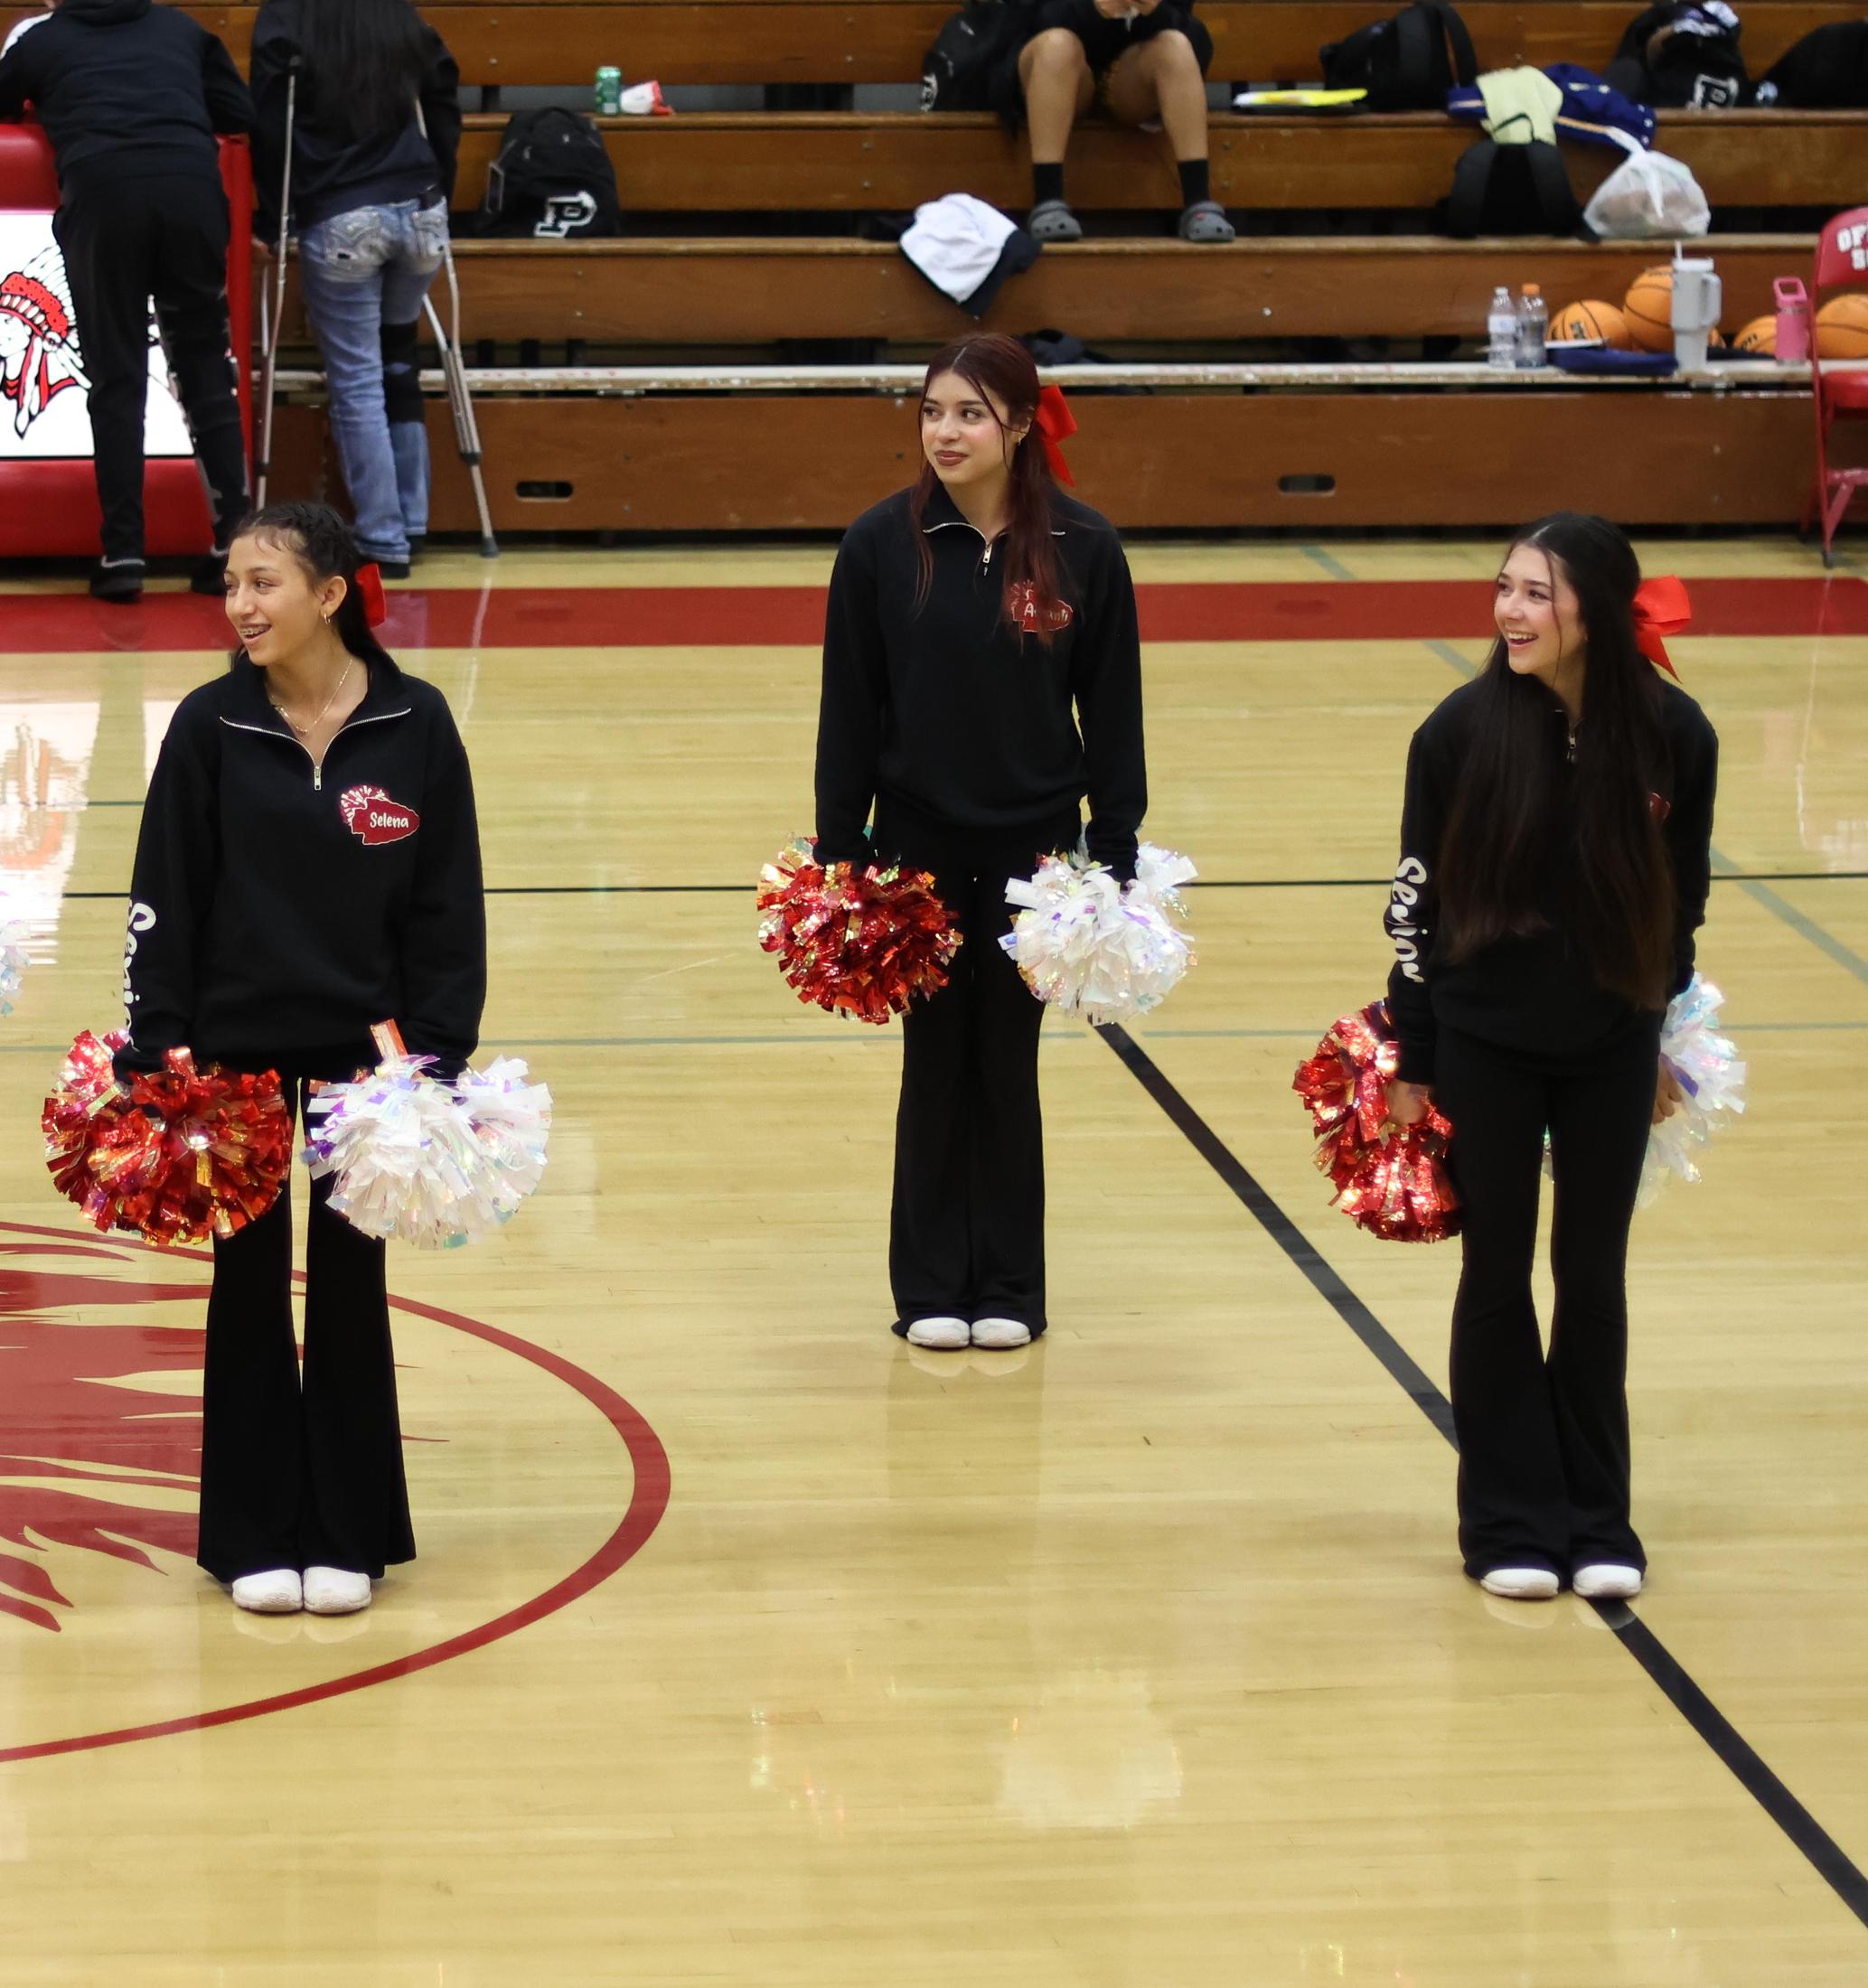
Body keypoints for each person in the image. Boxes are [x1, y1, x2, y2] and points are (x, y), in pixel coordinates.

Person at [117, 500, 485, 1615]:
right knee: (243, 1291)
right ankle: (250, 1534)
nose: (241, 605)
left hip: (364, 1060)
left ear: (331, 595)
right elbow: (162, 897)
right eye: (231, 583)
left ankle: (347, 1532)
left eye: (264, 582)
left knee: (350, 1286)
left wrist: (436, 1057)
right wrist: (156, 1046)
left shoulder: (417, 724)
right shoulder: (208, 726)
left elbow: (446, 906)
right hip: (233, 1052)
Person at [1381, 512, 1717, 1603]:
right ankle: (1508, 1519)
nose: (1511, 612)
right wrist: (1413, 1055)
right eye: (1506, 589)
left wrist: (1662, 1026)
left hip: (1612, 1041)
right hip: (1486, 1039)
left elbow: (1684, 903)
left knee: (1594, 1275)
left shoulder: (1677, 735)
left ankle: (1596, 1512)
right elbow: (1415, 908)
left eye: (1537, 594)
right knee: (1497, 1274)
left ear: (1598, 612)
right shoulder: (1460, 732)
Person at [813, 332, 1147, 1351]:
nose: (945, 431)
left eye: (967, 412)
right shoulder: (880, 545)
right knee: (934, 1068)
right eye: (932, 412)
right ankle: (927, 1290)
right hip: (913, 858)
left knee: (1007, 1067)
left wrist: (1114, 850)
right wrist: (844, 856)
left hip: (1036, 865)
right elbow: (850, 712)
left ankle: (1009, 1285)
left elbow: (1114, 710)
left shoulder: (1084, 548)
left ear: (1018, 424)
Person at [0, 0, 254, 600]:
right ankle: (235, 546)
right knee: (203, 369)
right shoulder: (180, 28)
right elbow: (240, 112)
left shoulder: (40, 38)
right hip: (191, 190)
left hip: (104, 195)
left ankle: (123, 555)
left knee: (117, 378)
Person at [250, 0, 460, 575]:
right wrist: (441, 180)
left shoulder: (285, 18)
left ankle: (384, 538)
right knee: (399, 360)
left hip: (342, 215)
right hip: (421, 209)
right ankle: (412, 522)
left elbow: (270, 122)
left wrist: (272, 218)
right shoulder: (399, 14)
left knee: (358, 381)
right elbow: (443, 97)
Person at [991, 0, 1234, 244]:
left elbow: (1197, 42)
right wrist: (1095, 10)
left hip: (1128, 79)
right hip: (1055, 67)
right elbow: (1027, 21)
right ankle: (1047, 200)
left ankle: (1199, 205)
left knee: (1176, 44)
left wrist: (1156, 12)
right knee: (1057, 45)